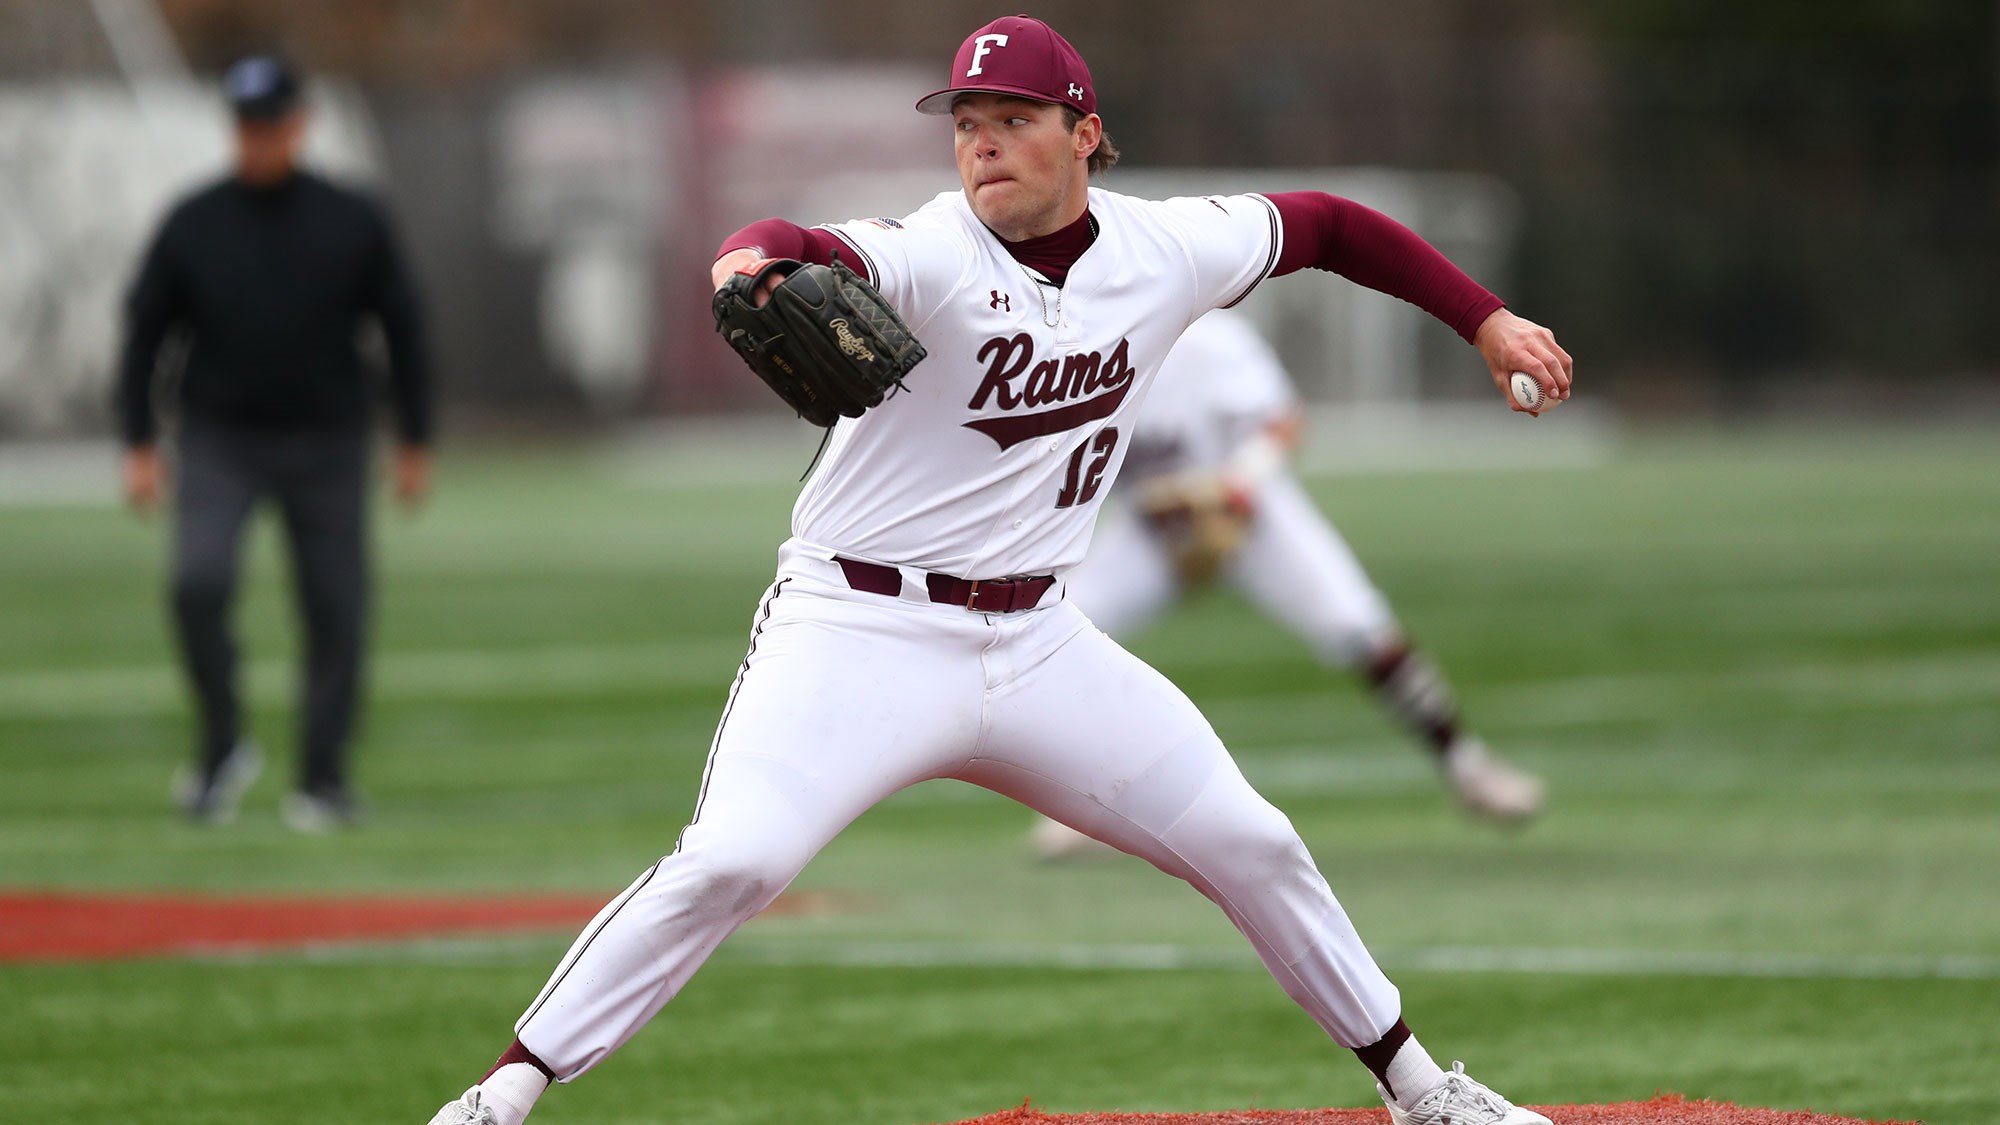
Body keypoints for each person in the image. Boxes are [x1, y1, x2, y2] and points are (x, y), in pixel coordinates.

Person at [426, 15, 1569, 1125]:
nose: (980, 141)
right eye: (965, 119)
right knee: (732, 860)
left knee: (1251, 840)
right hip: (855, 628)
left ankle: (1422, 1091)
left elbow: (1322, 224)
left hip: (1039, 647)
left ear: (1082, 132)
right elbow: (807, 242)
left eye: (1011, 117)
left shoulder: (1162, 251)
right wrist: (747, 258)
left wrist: (1482, 320)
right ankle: (499, 1097)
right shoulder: (933, 249)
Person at [1028, 308, 1543, 862]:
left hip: (1250, 516)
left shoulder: (1207, 338)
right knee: (1056, 629)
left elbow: (1285, 421)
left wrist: (1239, 484)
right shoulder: (1071, 349)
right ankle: (1083, 804)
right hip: (1151, 526)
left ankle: (1467, 767)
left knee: (1357, 624)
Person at [115, 53, 433, 832]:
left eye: (270, 123)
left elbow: (403, 326)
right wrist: (138, 440)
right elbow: (145, 331)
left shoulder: (350, 217)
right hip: (221, 436)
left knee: (334, 607)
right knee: (198, 580)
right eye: (245, 125)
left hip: (329, 437)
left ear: (299, 123)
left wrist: (414, 435)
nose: (257, 139)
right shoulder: (194, 220)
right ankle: (223, 744)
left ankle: (322, 777)